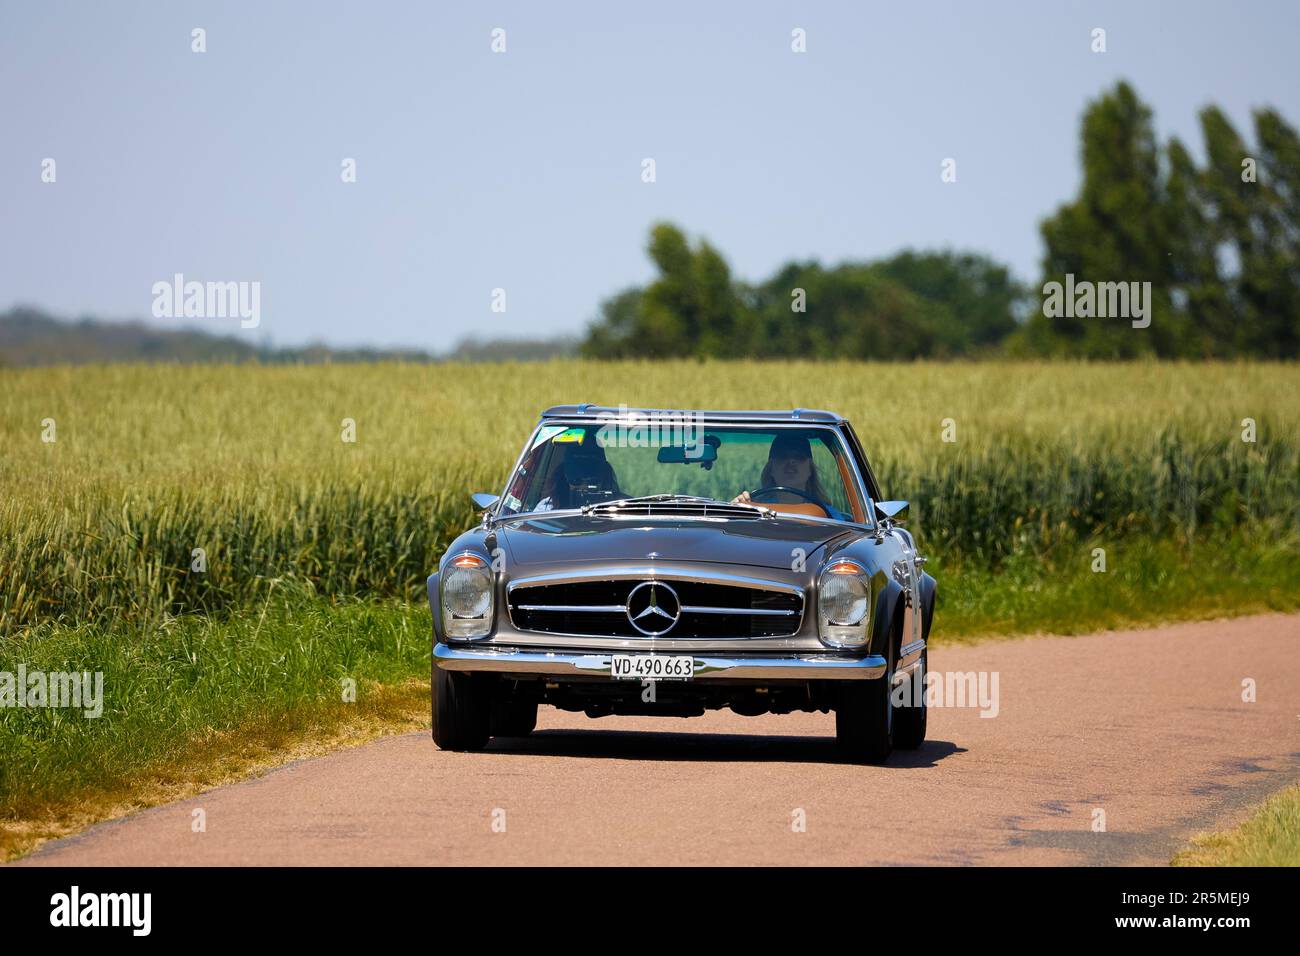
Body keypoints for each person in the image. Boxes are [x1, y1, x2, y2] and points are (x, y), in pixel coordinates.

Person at [733, 433, 848, 520]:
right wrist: (735, 508)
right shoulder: (750, 508)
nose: (791, 462)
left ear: (810, 470)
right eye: (782, 457)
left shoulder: (829, 515)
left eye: (799, 457)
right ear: (771, 470)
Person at [534, 438, 622, 511]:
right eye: (576, 480)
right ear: (565, 477)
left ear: (604, 476)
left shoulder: (623, 507)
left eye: (593, 481)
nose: (584, 487)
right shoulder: (546, 509)